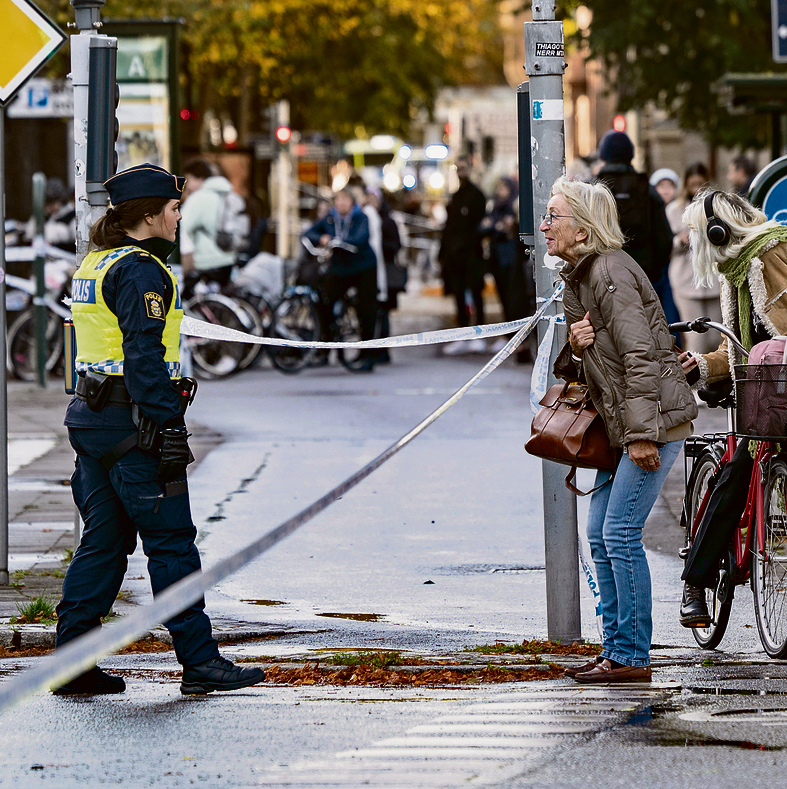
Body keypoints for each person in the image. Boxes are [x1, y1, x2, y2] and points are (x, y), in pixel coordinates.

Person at [54, 163, 265, 696]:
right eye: (172, 209)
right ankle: (200, 662)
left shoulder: (95, 264)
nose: (178, 217)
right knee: (172, 544)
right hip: (135, 423)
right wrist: (169, 426)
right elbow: (143, 354)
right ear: (147, 216)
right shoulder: (143, 270)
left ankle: (71, 662)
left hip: (95, 420)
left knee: (103, 542)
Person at [547, 176, 697, 682]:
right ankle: (616, 647)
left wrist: (640, 435)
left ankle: (631, 656)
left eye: (553, 216)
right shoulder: (579, 277)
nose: (544, 226)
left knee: (619, 532)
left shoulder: (610, 271)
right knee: (599, 532)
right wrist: (576, 343)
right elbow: (579, 371)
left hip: (654, 422)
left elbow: (641, 358)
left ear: (583, 230)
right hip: (625, 425)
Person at [679, 190, 787, 626]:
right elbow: (736, 350)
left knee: (739, 468)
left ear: (719, 232)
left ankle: (695, 586)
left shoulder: (771, 254)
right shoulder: (736, 273)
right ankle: (696, 582)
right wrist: (701, 366)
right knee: (737, 470)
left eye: (697, 235)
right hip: (765, 400)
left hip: (778, 390)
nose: (693, 245)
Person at [596, 132, 678, 334]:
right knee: (644, 329)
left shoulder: (593, 188)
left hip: (601, 273)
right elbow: (663, 238)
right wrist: (655, 270)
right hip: (643, 274)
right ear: (631, 155)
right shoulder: (646, 188)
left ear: (603, 154)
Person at [303, 188, 378, 371]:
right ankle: (326, 344)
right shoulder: (329, 218)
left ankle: (368, 354)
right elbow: (309, 233)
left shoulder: (362, 217)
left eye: (346, 199)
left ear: (352, 202)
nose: (342, 203)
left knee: (366, 309)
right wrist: (322, 238)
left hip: (362, 267)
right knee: (323, 300)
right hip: (340, 268)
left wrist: (341, 241)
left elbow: (361, 238)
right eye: (339, 199)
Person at [666, 163, 721, 354]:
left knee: (716, 337)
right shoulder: (675, 209)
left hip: (713, 280)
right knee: (696, 337)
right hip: (686, 279)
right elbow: (667, 243)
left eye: (701, 184)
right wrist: (680, 240)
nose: (697, 189)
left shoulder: (718, 207)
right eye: (692, 184)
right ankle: (698, 381)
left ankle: (715, 378)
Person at [439, 158, 487, 354]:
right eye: (457, 168)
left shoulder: (476, 196)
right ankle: (463, 333)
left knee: (475, 293)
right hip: (455, 256)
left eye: (463, 168)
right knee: (459, 294)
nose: (460, 172)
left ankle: (480, 334)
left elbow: (477, 227)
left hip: (471, 255)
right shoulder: (457, 196)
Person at [179, 164, 248, 288]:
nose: (187, 185)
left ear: (200, 179)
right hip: (228, 259)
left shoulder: (199, 198)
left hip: (206, 262)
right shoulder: (227, 194)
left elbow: (179, 225)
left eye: (189, 180)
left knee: (188, 300)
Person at [480, 177, 519, 330]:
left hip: (509, 259)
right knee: (502, 295)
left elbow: (501, 227)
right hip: (496, 258)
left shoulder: (512, 207)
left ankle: (512, 332)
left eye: (503, 188)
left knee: (511, 297)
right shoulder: (495, 207)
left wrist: (494, 226)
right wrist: (497, 226)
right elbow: (483, 228)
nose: (500, 191)